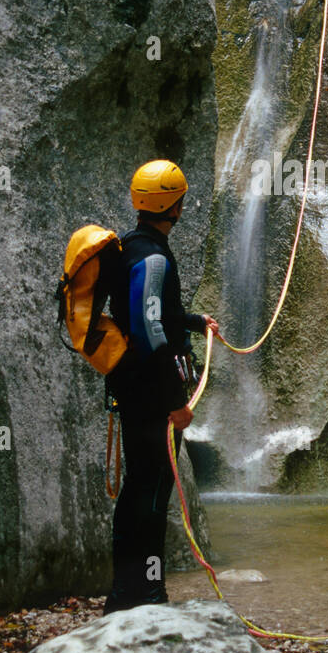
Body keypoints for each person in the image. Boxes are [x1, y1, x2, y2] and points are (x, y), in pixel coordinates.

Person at [102, 159, 219, 615]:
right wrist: (177, 403)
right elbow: (150, 331)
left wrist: (191, 320)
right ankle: (147, 593)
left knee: (138, 489)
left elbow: (147, 314)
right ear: (173, 204)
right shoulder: (154, 256)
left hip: (130, 389)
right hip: (152, 398)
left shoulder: (132, 247)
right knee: (151, 495)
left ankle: (123, 593)